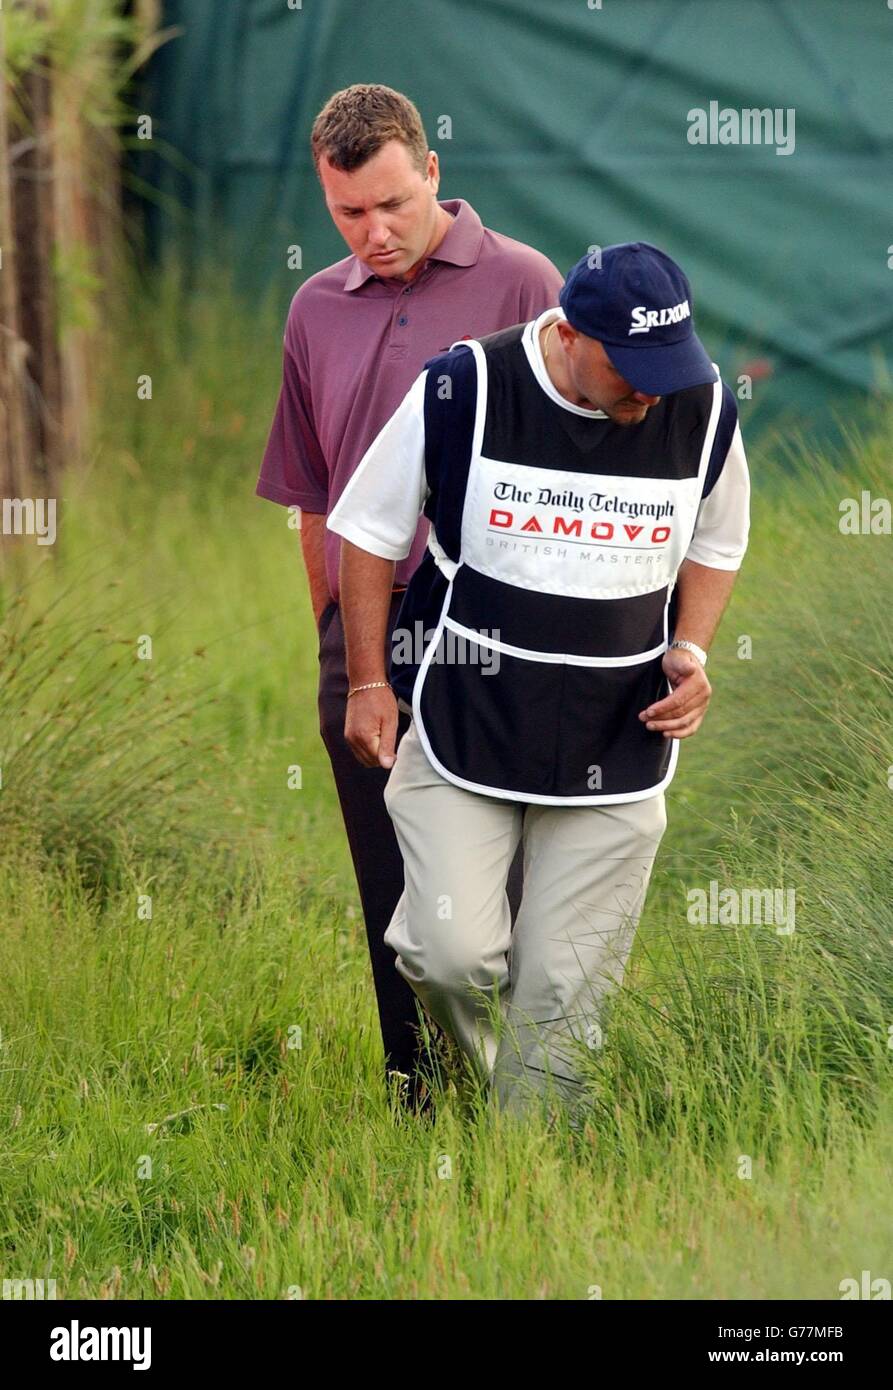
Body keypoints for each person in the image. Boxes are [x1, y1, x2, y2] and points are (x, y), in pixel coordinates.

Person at [327, 241, 751, 1121]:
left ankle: (530, 1172)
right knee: (448, 953)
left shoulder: (701, 409)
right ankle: (487, 1093)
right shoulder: (462, 389)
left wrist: (693, 652)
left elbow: (716, 541)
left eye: (663, 371)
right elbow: (368, 530)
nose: (648, 392)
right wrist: (368, 680)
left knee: (565, 986)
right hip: (463, 718)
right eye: (628, 370)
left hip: (620, 736)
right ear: (565, 333)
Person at [255, 84, 563, 1112]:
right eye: (349, 213)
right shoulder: (313, 309)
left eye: (393, 202)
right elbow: (309, 493)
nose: (375, 232)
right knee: (387, 877)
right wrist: (339, 637)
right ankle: (417, 1094)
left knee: (497, 872)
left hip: (491, 628)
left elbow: (567, 470)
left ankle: (528, 1094)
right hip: (364, 633)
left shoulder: (522, 285)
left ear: (431, 172)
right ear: (325, 200)